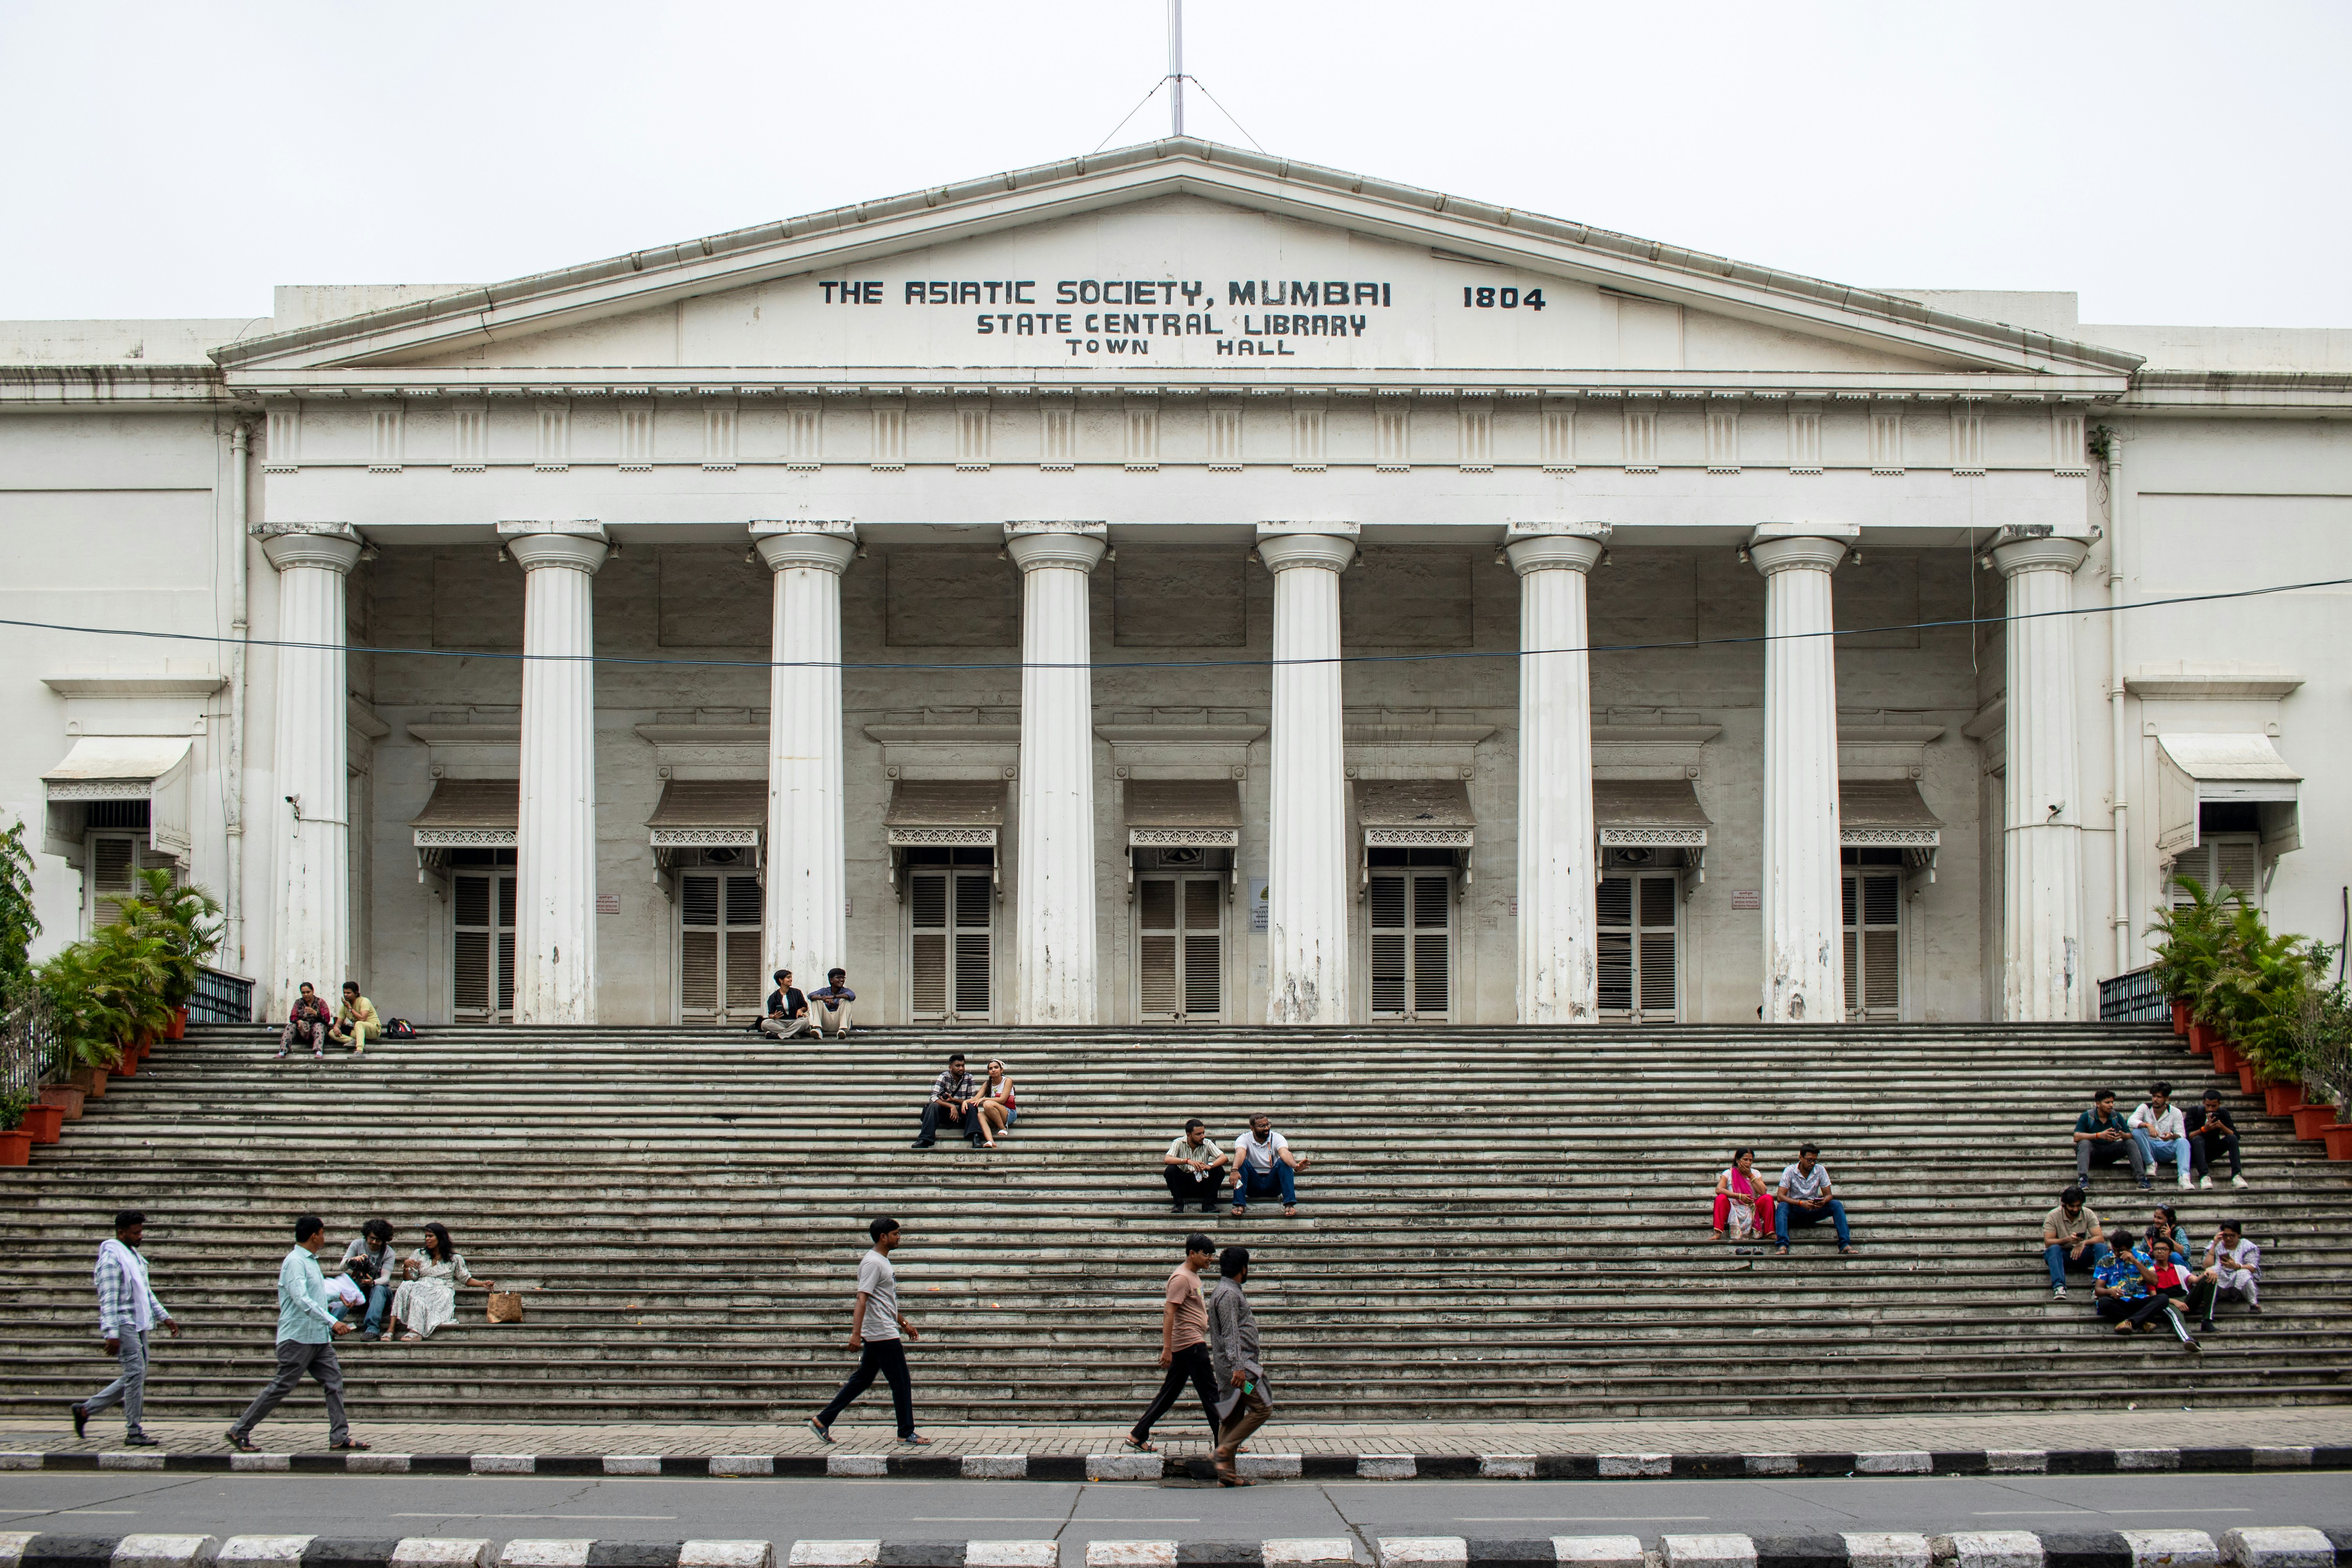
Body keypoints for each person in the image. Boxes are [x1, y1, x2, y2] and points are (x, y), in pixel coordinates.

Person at [225, 1214, 367, 1453]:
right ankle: (239, 1430)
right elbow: (301, 1298)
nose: (324, 1238)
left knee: (334, 1382)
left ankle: (339, 1436)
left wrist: (336, 1297)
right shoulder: (295, 1262)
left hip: (318, 1338)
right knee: (282, 1385)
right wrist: (332, 1321)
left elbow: (315, 1294)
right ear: (314, 1236)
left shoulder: (310, 1260)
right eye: (323, 1234)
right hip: (298, 1338)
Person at [809, 1216, 927, 1446]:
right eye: (895, 1234)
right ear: (884, 1237)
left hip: (883, 1329)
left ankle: (823, 1420)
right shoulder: (873, 1263)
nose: (899, 1237)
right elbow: (862, 1298)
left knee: (862, 1379)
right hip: (882, 1333)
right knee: (901, 1382)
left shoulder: (882, 1261)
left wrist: (904, 1324)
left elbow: (885, 1302)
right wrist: (856, 1333)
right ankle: (906, 1431)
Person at [71, 1209, 181, 1447]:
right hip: (123, 1324)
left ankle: (85, 1410)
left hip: (139, 1322)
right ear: (121, 1233)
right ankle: (133, 1430)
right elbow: (108, 1300)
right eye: (136, 1233)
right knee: (135, 1375)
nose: (141, 1236)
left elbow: (146, 1291)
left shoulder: (133, 1257)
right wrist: (111, 1333)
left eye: (141, 1231)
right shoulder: (112, 1260)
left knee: (136, 1375)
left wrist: (165, 1317)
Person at [1125, 1233, 1221, 1454]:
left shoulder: (1193, 1276)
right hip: (1190, 1345)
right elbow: (1169, 1312)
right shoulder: (1181, 1278)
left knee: (1169, 1394)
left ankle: (1138, 1434)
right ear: (1192, 1254)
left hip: (1190, 1343)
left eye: (1212, 1256)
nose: (1210, 1259)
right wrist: (1167, 1348)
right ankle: (1226, 1443)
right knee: (1211, 1394)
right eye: (1207, 1255)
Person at [1206, 1245, 1268, 1487]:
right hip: (1241, 1372)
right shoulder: (1230, 1295)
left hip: (1232, 1368)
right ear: (1243, 1269)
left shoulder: (1223, 1291)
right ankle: (1224, 1450)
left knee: (1231, 1417)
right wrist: (1239, 1368)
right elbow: (1231, 1333)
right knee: (1263, 1407)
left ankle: (1227, 1477)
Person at [388, 1222, 496, 1342]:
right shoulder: (420, 1254)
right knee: (405, 1286)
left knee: (419, 1293)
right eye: (426, 1237)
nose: (427, 1239)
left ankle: (416, 1331)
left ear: (440, 1237)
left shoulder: (455, 1259)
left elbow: (466, 1279)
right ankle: (391, 1329)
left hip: (442, 1291)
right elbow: (409, 1279)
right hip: (421, 1286)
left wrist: (482, 1284)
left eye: (430, 1236)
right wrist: (406, 1267)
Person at [1773, 1144, 1856, 1255]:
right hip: (1795, 1211)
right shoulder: (1790, 1171)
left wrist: (1824, 1201)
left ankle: (1845, 1245)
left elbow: (1829, 1195)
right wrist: (1801, 1203)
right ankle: (1783, 1245)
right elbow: (1780, 1197)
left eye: (1815, 1161)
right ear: (1801, 1158)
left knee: (1836, 1204)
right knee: (1782, 1206)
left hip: (1813, 1209)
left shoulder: (1820, 1170)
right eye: (1809, 1160)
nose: (1812, 1163)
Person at [2131, 1231, 2207, 1351]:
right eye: (2157, 1249)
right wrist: (2174, 1302)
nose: (2160, 1252)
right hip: (2167, 1301)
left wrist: (2209, 1273)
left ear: (2170, 1252)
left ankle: (2208, 1319)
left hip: (2185, 1298)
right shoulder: (2151, 1272)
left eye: (2163, 1249)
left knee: (2209, 1279)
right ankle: (2189, 1340)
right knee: (2176, 1315)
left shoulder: (2178, 1268)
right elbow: (2154, 1296)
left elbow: (2195, 1280)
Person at [1231, 1114, 1309, 1219]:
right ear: (1252, 1128)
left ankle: (1289, 1204)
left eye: (1268, 1124)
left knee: (1283, 1162)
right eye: (1262, 1126)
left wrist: (1295, 1166)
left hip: (1273, 1185)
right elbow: (1240, 1153)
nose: (1267, 1128)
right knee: (1241, 1163)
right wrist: (1234, 1169)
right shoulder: (1244, 1139)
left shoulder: (1277, 1137)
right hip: (1252, 1186)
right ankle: (1240, 1204)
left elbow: (1285, 1153)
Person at [2042, 1186, 2109, 1300]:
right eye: (2072, 1206)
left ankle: (2098, 1287)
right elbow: (2048, 1242)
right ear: (2065, 1205)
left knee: (2101, 1247)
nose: (2076, 1210)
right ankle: (2059, 1287)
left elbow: (2100, 1238)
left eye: (2079, 1206)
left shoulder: (2088, 1213)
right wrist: (2067, 1240)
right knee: (2053, 1249)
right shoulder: (2053, 1215)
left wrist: (2083, 1243)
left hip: (2083, 1254)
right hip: (2063, 1255)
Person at [2071, 1088, 2145, 1188]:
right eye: (2107, 1103)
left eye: (2112, 1102)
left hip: (2110, 1151)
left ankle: (2142, 1179)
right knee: (2084, 1143)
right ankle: (2083, 1179)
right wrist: (2099, 1135)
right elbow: (2077, 1137)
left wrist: (2123, 1135)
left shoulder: (2116, 1116)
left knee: (2131, 1143)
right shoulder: (2087, 1116)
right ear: (2098, 1104)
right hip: (2093, 1153)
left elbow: (2129, 1135)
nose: (2111, 1105)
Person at [2128, 1082, 2194, 1192]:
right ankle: (2150, 1163)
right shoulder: (2144, 1107)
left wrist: (2171, 1136)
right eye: (2154, 1096)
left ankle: (2184, 1177)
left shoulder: (2176, 1112)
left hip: (2165, 1147)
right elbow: (2131, 1121)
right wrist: (2148, 1125)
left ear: (2167, 1098)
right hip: (2148, 1147)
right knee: (2138, 1131)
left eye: (2159, 1097)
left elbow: (2182, 1134)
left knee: (2184, 1142)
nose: (2155, 1100)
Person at [2198, 1220, 2262, 1328]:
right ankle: (2206, 1303)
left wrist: (2237, 1266)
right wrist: (2214, 1245)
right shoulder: (2216, 1244)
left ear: (2239, 1235)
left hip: (2239, 1281)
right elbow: (2207, 1266)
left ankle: (2254, 1304)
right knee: (2212, 1271)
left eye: (2232, 1236)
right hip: (2221, 1278)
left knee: (2244, 1273)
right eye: (2226, 1235)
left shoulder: (2248, 1246)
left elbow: (2252, 1267)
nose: (2228, 1239)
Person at [341, 1219, 397, 1342]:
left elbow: (386, 1278)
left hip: (380, 1292)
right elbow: (342, 1266)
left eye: (379, 1240)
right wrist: (353, 1260)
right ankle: (332, 1325)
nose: (375, 1242)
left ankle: (372, 1330)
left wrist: (373, 1282)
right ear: (366, 1236)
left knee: (378, 1288)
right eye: (372, 1238)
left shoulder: (389, 1252)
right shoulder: (357, 1245)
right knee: (346, 1288)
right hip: (360, 1289)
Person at [912, 1053, 982, 1149]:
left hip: (962, 1111)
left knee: (971, 1106)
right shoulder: (944, 1077)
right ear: (951, 1067)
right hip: (945, 1112)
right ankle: (925, 1139)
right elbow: (933, 1097)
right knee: (933, 1106)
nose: (961, 1068)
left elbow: (972, 1100)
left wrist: (954, 1101)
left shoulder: (969, 1078)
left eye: (963, 1066)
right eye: (958, 1066)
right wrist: (951, 1106)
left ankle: (975, 1137)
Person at [1164, 1120, 1230, 1214]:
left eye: (1203, 1133)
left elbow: (1224, 1158)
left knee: (1219, 1170)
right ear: (1189, 1135)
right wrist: (1187, 1161)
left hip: (1202, 1183)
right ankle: (1178, 1204)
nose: (1202, 1136)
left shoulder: (1207, 1143)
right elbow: (1167, 1159)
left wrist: (1210, 1166)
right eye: (1198, 1134)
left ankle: (1208, 1204)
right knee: (1171, 1170)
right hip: (1184, 1185)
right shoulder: (1178, 1142)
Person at [1711, 1149, 1777, 1243]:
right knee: (1720, 1198)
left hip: (1752, 1208)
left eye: (1750, 1160)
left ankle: (1770, 1233)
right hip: (1734, 1209)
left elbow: (1763, 1192)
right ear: (1738, 1160)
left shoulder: (1755, 1173)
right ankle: (1718, 1233)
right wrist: (1739, 1196)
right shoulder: (1728, 1173)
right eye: (1745, 1160)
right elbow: (1719, 1190)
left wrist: (1750, 1175)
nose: (1748, 1163)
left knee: (1768, 1198)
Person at [2187, 1089, 2246, 1190]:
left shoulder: (2223, 1113)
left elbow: (2235, 1136)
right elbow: (2189, 1136)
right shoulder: (2194, 1111)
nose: (2211, 1109)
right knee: (2198, 1139)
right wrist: (2204, 1129)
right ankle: (2204, 1176)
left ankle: (2237, 1175)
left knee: (2231, 1138)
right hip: (2195, 1151)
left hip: (2213, 1149)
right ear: (2203, 1103)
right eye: (2208, 1105)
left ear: (2219, 1104)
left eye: (2214, 1106)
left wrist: (2221, 1127)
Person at [2091, 1232, 2151, 1330]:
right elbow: (2098, 1290)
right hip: (2119, 1301)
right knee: (2103, 1303)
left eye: (2121, 1251)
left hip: (2140, 1299)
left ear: (2130, 1248)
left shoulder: (2143, 1257)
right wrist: (2110, 1292)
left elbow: (2153, 1281)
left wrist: (2135, 1262)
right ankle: (2141, 1322)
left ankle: (2130, 1321)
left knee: (2163, 1299)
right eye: (2115, 1250)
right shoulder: (2106, 1260)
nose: (2117, 1254)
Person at [278, 982, 330, 1060]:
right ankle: (283, 1052)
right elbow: (293, 1017)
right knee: (290, 1026)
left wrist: (315, 1013)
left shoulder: (320, 1002)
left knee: (319, 1026)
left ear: (313, 991)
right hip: (303, 1030)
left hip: (318, 1031)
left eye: (308, 992)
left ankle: (319, 1051)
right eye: (303, 993)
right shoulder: (298, 1002)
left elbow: (327, 1019)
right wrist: (299, 1022)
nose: (306, 995)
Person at [327, 982, 380, 1053]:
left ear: (356, 993)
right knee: (332, 1033)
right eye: (344, 993)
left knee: (359, 1023)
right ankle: (352, 1041)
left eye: (348, 993)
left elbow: (363, 1019)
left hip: (373, 1030)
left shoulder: (364, 1001)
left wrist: (350, 1008)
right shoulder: (344, 1007)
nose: (346, 995)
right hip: (359, 1032)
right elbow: (338, 1024)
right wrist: (336, 1028)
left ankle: (359, 1052)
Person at [975, 1058, 1017, 1148]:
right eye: (991, 1069)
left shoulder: (1007, 1081)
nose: (993, 1070)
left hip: (1009, 1113)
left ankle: (1003, 1128)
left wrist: (984, 1099)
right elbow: (976, 1098)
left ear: (1001, 1070)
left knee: (987, 1104)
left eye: (996, 1068)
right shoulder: (987, 1084)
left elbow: (1002, 1100)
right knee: (980, 1115)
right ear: (988, 1072)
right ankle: (990, 1141)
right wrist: (964, 1102)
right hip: (995, 1114)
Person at [756, 969, 810, 1038]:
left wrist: (801, 1011)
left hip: (795, 1022)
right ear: (781, 980)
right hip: (781, 1023)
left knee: (805, 1021)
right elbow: (771, 1014)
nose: (791, 979)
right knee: (765, 1024)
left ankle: (780, 1036)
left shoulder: (797, 993)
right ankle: (793, 1034)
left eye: (791, 977)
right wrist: (774, 1017)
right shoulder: (773, 997)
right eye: (788, 978)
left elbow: (805, 1006)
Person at [807, 968, 856, 1037]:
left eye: (843, 978)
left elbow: (853, 996)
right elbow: (811, 995)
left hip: (840, 1023)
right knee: (816, 999)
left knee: (847, 1000)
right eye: (839, 978)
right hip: (826, 1023)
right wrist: (823, 998)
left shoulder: (846, 991)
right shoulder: (825, 991)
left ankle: (842, 1030)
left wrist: (833, 997)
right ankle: (818, 1029)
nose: (842, 980)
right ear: (831, 980)